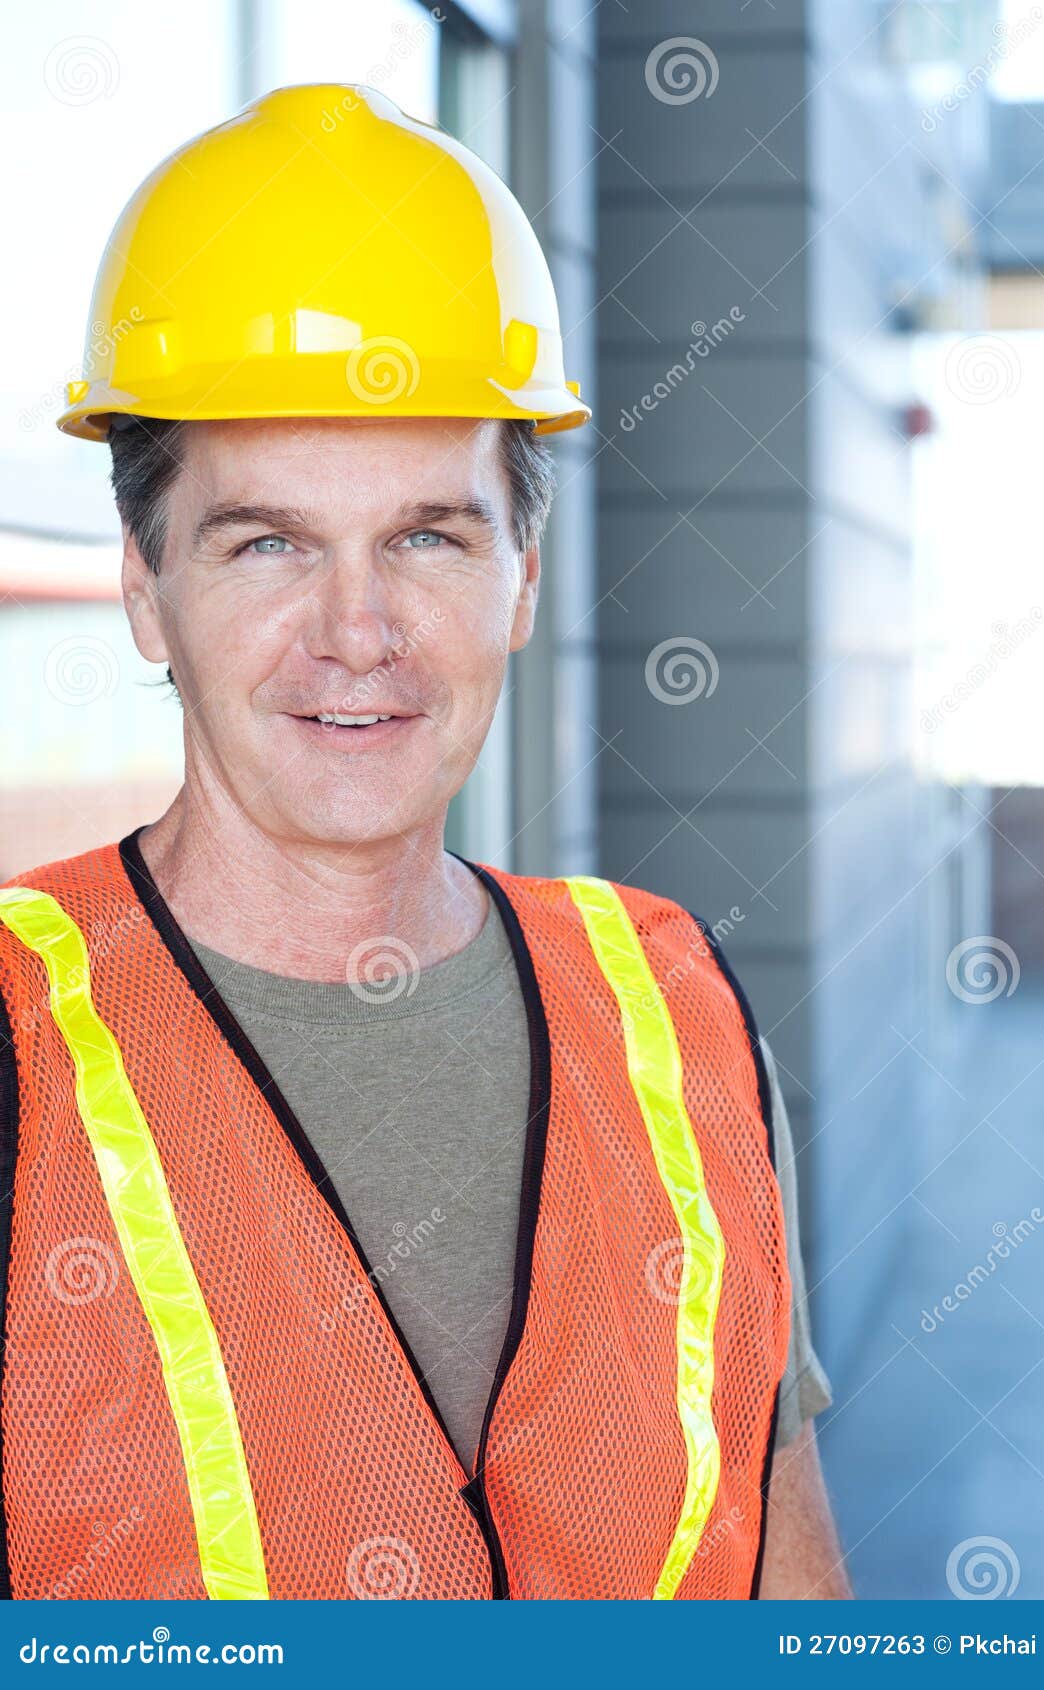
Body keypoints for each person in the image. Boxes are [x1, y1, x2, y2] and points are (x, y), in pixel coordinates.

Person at [0, 83, 850, 1602]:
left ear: (522, 575)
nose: (357, 634)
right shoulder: (17, 1041)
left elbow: (786, 1582)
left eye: (427, 536)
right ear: (144, 589)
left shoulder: (683, 1020)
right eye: (266, 541)